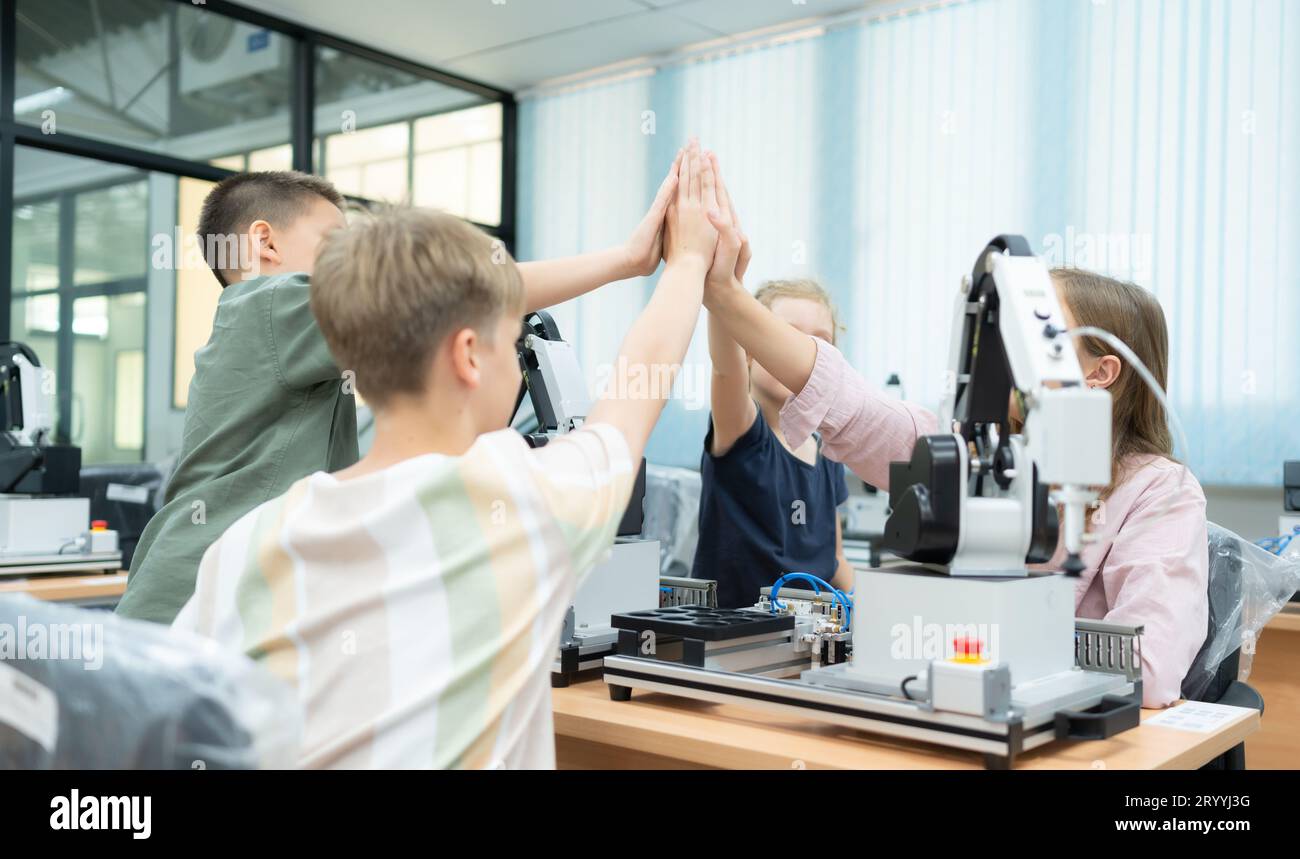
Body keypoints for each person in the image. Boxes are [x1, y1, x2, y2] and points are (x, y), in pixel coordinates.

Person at [172, 143, 726, 767]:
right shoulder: (518, 503)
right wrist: (687, 263)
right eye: (510, 339)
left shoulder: (238, 549)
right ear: (468, 356)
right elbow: (633, 395)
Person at [120, 164, 683, 624]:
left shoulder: (278, 337)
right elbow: (463, 292)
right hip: (187, 598)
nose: (350, 267)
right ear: (263, 243)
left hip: (219, 593)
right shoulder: (267, 305)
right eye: (333, 245)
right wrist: (625, 262)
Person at [704, 252, 1207, 708]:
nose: (1005, 347)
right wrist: (725, 294)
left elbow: (1149, 669)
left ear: (1101, 371)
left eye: (1035, 334)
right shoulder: (972, 451)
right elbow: (846, 402)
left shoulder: (1163, 494)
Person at [691, 157, 850, 607]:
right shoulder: (742, 430)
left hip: (810, 640)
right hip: (737, 641)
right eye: (785, 338)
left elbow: (835, 563)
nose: (799, 354)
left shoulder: (828, 448)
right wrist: (725, 287)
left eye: (819, 343)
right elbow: (725, 367)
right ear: (749, 344)